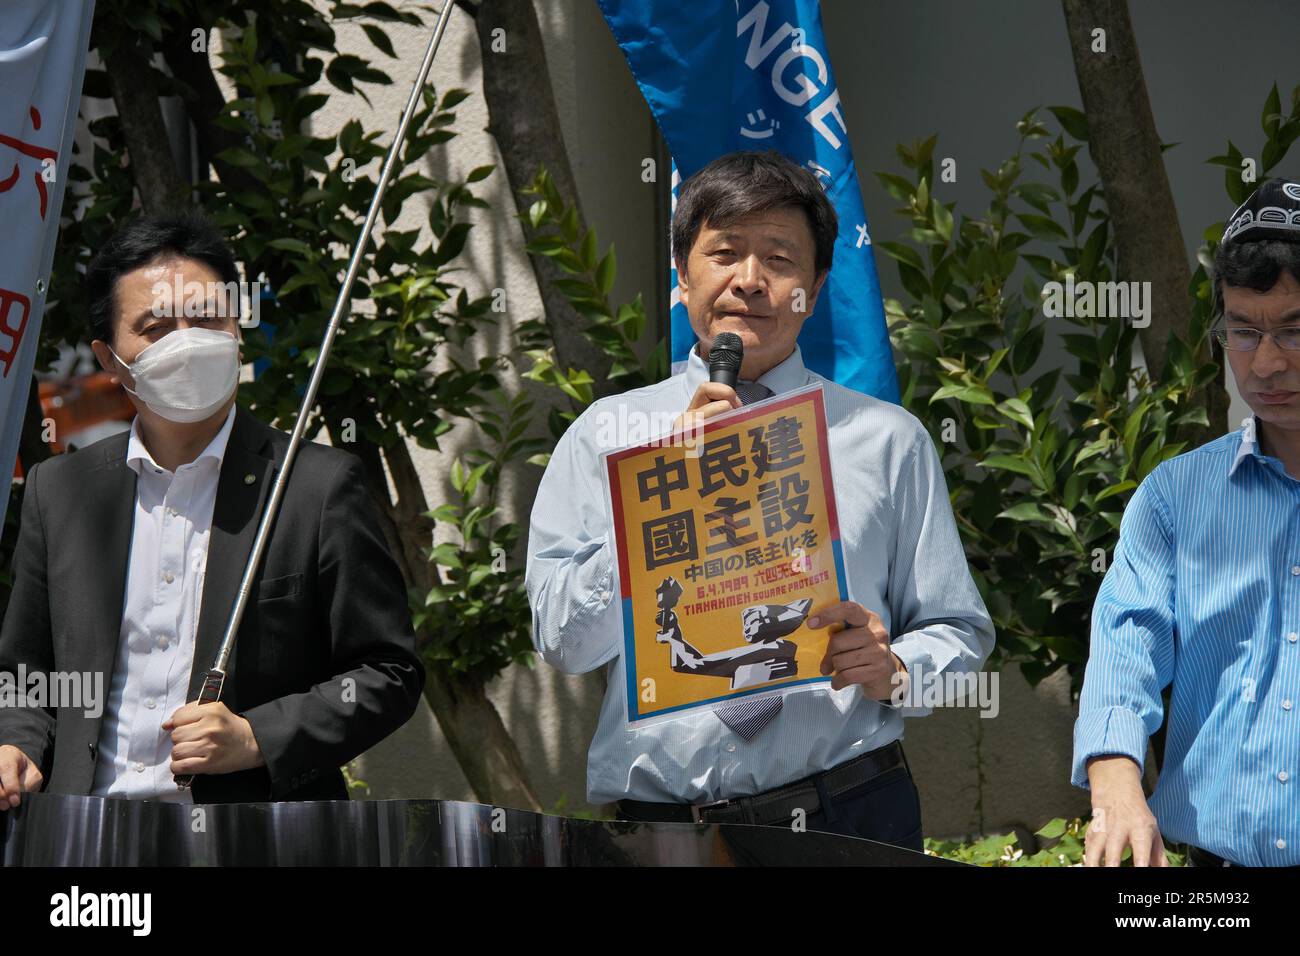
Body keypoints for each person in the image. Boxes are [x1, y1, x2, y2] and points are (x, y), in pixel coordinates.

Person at [525, 150, 994, 848]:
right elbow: (563, 642)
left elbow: (961, 630)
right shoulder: (606, 436)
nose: (749, 281)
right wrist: (662, 494)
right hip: (666, 831)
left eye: (779, 259)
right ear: (682, 277)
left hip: (848, 814)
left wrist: (897, 670)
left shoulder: (886, 439)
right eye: (724, 253)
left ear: (816, 284)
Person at [0, 211, 424, 806]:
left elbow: (388, 672)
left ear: (236, 326)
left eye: (205, 317)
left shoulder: (316, 486)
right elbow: (27, 679)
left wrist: (258, 737)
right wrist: (16, 741)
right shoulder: (60, 491)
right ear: (108, 358)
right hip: (87, 845)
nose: (185, 340)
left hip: (251, 840)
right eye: (155, 326)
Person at [1074, 178, 1300, 867]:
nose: (1265, 362)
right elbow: (1126, 640)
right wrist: (1115, 778)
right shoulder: (1175, 496)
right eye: (1243, 330)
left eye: (1295, 328)